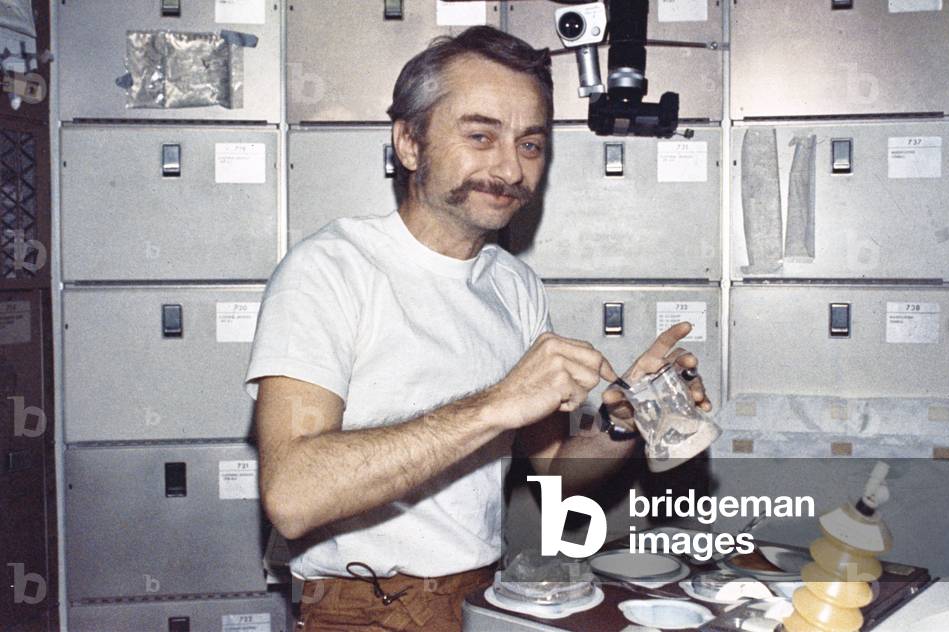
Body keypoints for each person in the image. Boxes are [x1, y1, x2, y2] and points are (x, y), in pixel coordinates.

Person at [245, 25, 710, 631]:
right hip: (363, 608)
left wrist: (622, 424)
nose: (509, 168)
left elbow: (557, 476)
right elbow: (292, 495)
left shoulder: (513, 286)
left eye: (531, 145)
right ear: (410, 143)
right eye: (480, 136)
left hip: (485, 596)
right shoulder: (328, 270)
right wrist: (497, 404)